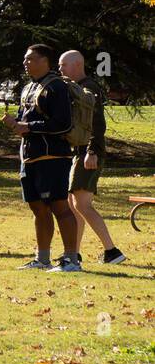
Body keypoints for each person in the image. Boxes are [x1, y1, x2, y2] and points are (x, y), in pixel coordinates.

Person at [1, 43, 82, 272]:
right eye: (25, 59)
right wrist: (15, 124)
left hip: (53, 158)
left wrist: (29, 127)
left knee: (59, 207)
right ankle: (42, 258)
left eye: (30, 59)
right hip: (29, 158)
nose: (26, 63)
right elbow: (24, 120)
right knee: (38, 208)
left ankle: (71, 260)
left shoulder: (56, 87)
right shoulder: (28, 88)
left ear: (44, 60)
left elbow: (63, 124)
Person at [59, 50, 125, 265]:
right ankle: (74, 253)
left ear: (77, 65)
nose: (60, 70)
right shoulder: (78, 88)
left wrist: (92, 151)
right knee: (73, 203)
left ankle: (112, 252)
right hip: (79, 152)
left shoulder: (89, 88)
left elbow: (97, 124)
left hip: (88, 152)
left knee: (82, 204)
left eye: (64, 65)